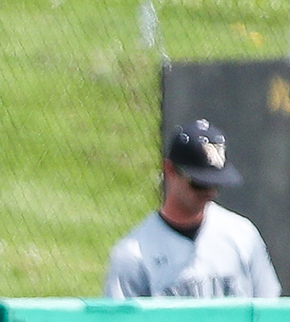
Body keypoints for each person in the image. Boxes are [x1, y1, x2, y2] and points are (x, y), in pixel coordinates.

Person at [104, 119, 280, 299]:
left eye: (216, 184)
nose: (209, 192)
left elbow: (268, 311)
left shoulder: (243, 236)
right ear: (170, 170)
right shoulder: (133, 255)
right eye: (199, 184)